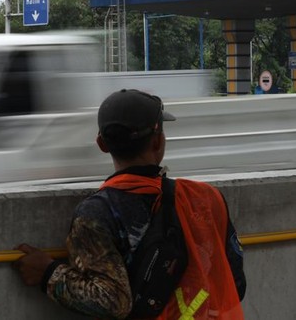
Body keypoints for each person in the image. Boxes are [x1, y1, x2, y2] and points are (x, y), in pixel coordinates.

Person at [14, 88, 246, 319]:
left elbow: (114, 302)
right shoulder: (206, 198)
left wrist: (48, 274)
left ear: (101, 144)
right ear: (158, 141)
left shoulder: (96, 213)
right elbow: (235, 283)